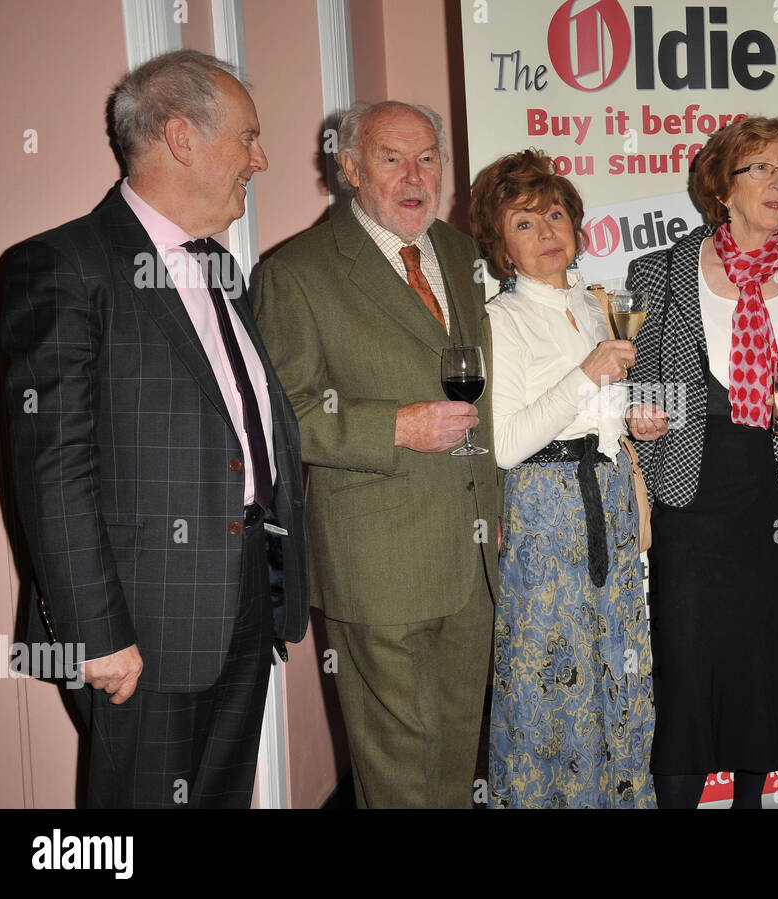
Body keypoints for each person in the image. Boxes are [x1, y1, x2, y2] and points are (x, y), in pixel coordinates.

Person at [2, 50, 308, 808]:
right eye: (249, 137)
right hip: (138, 626)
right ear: (182, 138)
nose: (261, 159)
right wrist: (95, 632)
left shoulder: (221, 272)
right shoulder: (62, 266)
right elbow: (52, 468)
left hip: (245, 599)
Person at [251, 101, 499, 808]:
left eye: (428, 157)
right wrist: (396, 426)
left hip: (473, 554)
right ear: (352, 168)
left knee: (457, 759)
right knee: (396, 776)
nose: (416, 175)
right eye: (393, 159)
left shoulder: (462, 251)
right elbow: (282, 416)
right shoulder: (296, 273)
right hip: (377, 563)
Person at [627, 116, 778, 810]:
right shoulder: (658, 271)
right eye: (761, 169)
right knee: (686, 672)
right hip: (692, 495)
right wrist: (642, 412)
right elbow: (643, 378)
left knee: (763, 669)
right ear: (722, 187)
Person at [468, 149, 660, 808]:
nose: (547, 232)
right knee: (556, 687)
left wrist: (634, 419)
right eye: (525, 223)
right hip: (546, 516)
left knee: (617, 671)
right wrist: (588, 373)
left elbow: (598, 418)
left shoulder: (595, 300)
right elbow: (508, 443)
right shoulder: (503, 318)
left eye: (555, 214)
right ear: (500, 245)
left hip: (606, 499)